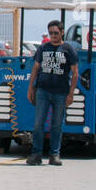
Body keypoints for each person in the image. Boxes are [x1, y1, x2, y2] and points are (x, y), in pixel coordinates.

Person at [26, 19, 78, 166]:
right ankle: (36, 154)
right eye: (51, 33)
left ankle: (54, 154)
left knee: (56, 125)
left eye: (56, 33)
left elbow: (75, 73)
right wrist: (31, 88)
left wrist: (71, 93)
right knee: (38, 124)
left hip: (60, 93)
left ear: (62, 32)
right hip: (43, 91)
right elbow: (36, 68)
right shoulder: (43, 48)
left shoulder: (69, 50)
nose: (53, 35)